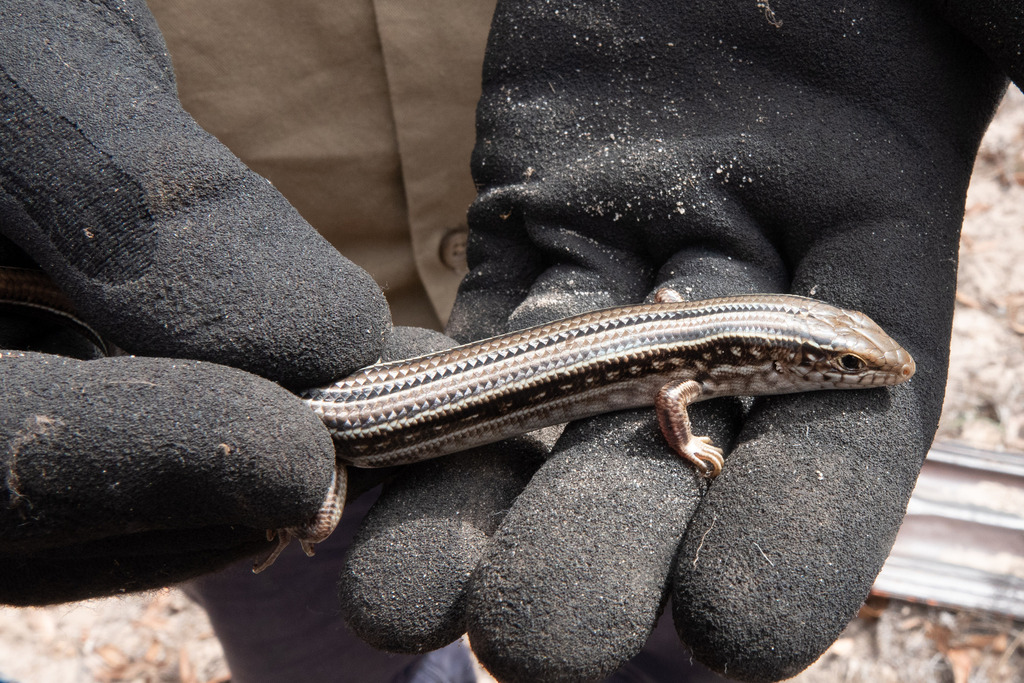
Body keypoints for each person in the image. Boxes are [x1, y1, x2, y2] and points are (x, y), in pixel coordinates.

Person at [0, 1, 1019, 681]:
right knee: (291, 519)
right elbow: (672, 399)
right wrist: (696, 440)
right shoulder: (689, 368)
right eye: (836, 363)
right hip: (289, 317)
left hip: (477, 241)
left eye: (839, 361)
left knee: (656, 590)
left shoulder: (694, 340)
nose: (853, 372)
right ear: (775, 359)